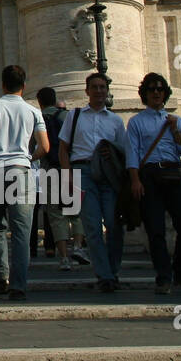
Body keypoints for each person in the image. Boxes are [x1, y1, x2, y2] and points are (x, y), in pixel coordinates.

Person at [0, 65, 47, 301]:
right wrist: (27, 157)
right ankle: (18, 284)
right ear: (24, 86)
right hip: (21, 171)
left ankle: (0, 279)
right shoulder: (33, 111)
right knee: (21, 232)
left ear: (3, 84)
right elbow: (45, 147)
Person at [58, 72, 130, 293]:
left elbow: (124, 151)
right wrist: (68, 175)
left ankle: (112, 269)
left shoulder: (116, 121)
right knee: (91, 227)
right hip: (82, 170)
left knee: (114, 223)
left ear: (107, 91)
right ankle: (105, 275)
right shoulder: (75, 115)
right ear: (87, 91)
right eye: (95, 87)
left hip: (108, 174)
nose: (99, 91)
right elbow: (62, 148)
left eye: (102, 87)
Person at [126, 73, 181, 295]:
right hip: (149, 177)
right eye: (152, 89)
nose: (157, 93)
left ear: (165, 93)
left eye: (160, 89)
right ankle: (163, 277)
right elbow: (132, 153)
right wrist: (135, 180)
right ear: (145, 94)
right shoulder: (136, 122)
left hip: (172, 173)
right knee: (156, 230)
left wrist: (175, 130)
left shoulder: (177, 121)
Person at [38, 87, 87, 268]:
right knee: (75, 211)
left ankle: (64, 257)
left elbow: (36, 146)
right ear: (54, 99)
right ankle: (78, 247)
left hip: (49, 169)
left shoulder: (39, 118)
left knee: (55, 214)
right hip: (71, 167)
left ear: (40, 101)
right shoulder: (68, 116)